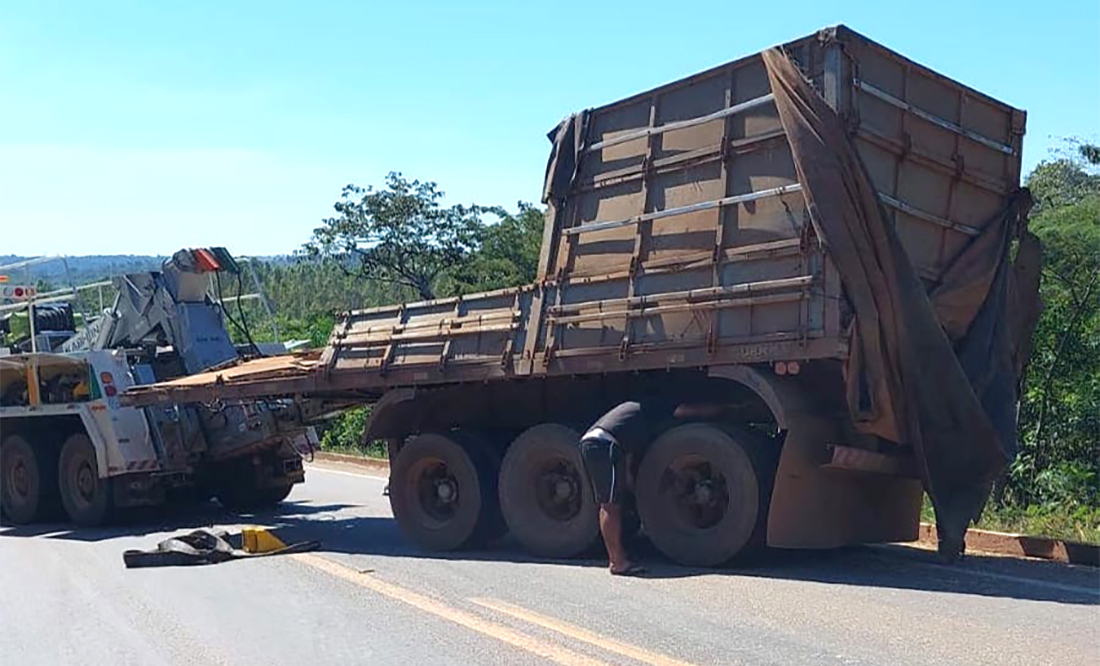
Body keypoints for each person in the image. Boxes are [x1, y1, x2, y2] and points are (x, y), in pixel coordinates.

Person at [578, 388, 728, 576]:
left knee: (614, 501)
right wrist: (725, 410)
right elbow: (687, 411)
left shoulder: (637, 417)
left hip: (598, 443)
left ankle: (620, 554)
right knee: (610, 505)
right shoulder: (656, 407)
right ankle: (617, 562)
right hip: (603, 444)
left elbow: (630, 460)